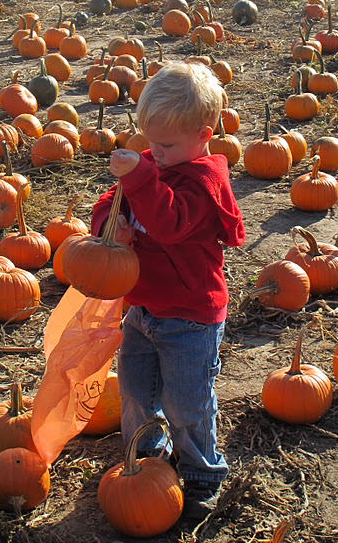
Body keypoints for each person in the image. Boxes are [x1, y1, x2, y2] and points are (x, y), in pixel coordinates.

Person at [90, 61, 245, 520]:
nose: (154, 153)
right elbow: (110, 201)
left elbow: (169, 223)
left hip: (190, 318)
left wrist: (139, 179)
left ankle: (201, 474)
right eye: (149, 142)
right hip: (141, 310)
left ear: (204, 134)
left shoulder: (204, 181)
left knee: (187, 403)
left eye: (165, 145)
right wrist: (110, 227)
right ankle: (147, 459)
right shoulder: (157, 165)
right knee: (136, 392)